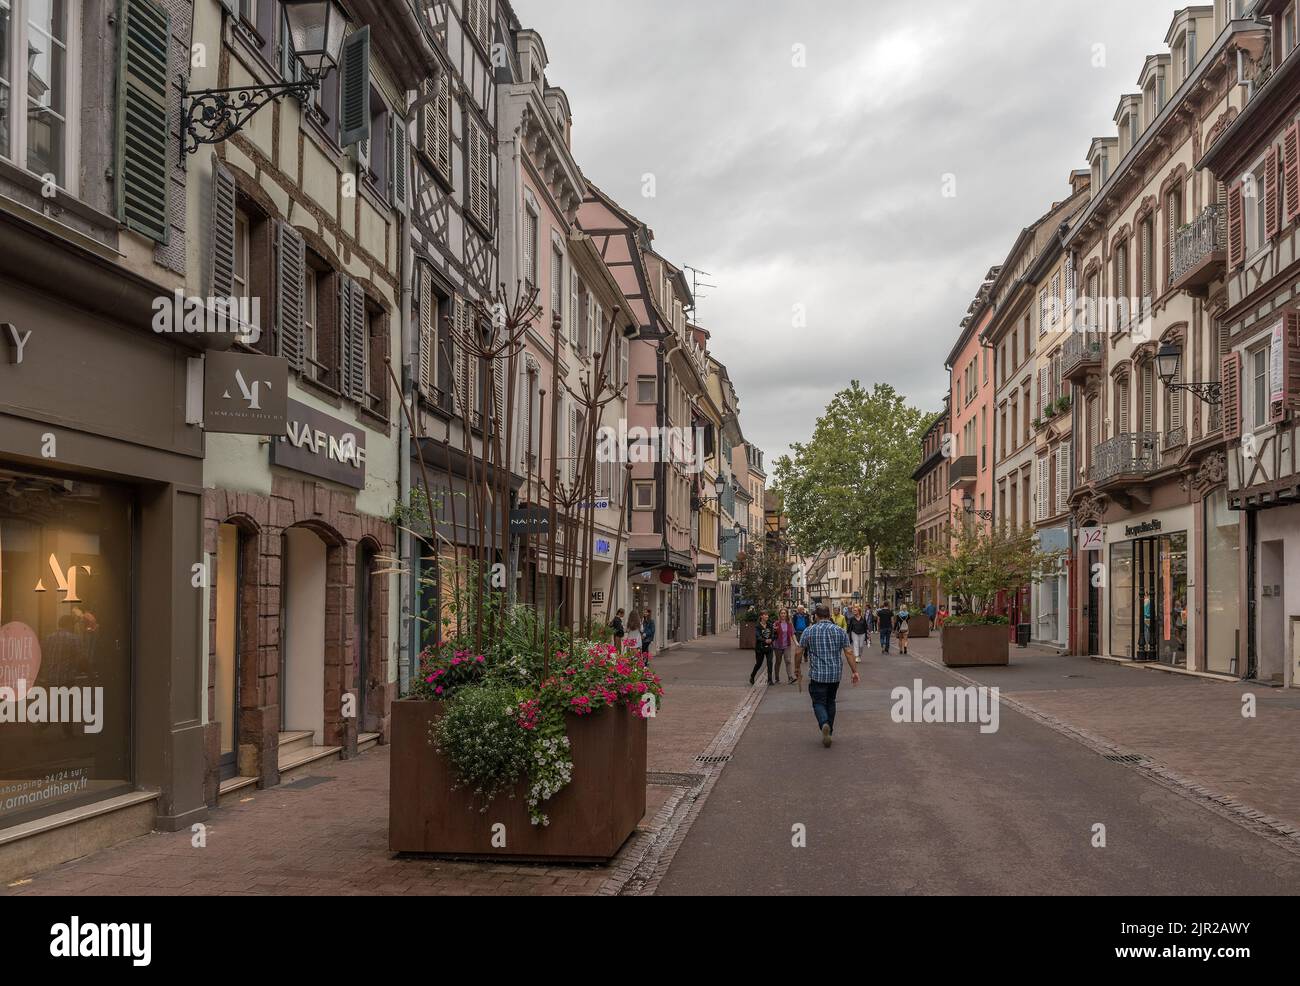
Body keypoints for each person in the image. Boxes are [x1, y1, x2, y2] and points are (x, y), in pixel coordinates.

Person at [793, 605, 859, 747]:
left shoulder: (808, 631)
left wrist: (797, 668)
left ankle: (824, 723)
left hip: (818, 674)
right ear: (829, 615)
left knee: (818, 702)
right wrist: (855, 671)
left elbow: (798, 652)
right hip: (835, 674)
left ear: (816, 616)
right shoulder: (840, 631)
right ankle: (830, 731)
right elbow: (848, 652)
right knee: (831, 701)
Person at [749, 611, 776, 686]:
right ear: (761, 616)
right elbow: (757, 636)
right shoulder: (757, 626)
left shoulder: (770, 625)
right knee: (759, 664)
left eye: (767, 615)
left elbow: (773, 634)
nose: (767, 616)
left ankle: (770, 680)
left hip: (769, 647)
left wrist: (772, 639)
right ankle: (752, 676)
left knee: (770, 662)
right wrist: (765, 640)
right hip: (760, 648)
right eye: (765, 615)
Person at [773, 608, 796, 683]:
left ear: (787, 614)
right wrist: (774, 629)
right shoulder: (776, 623)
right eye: (782, 613)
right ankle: (777, 678)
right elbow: (772, 633)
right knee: (778, 661)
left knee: (788, 661)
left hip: (787, 645)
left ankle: (790, 677)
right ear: (779, 614)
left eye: (784, 613)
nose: (783, 615)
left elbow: (792, 634)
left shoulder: (789, 623)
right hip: (778, 646)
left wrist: (796, 642)